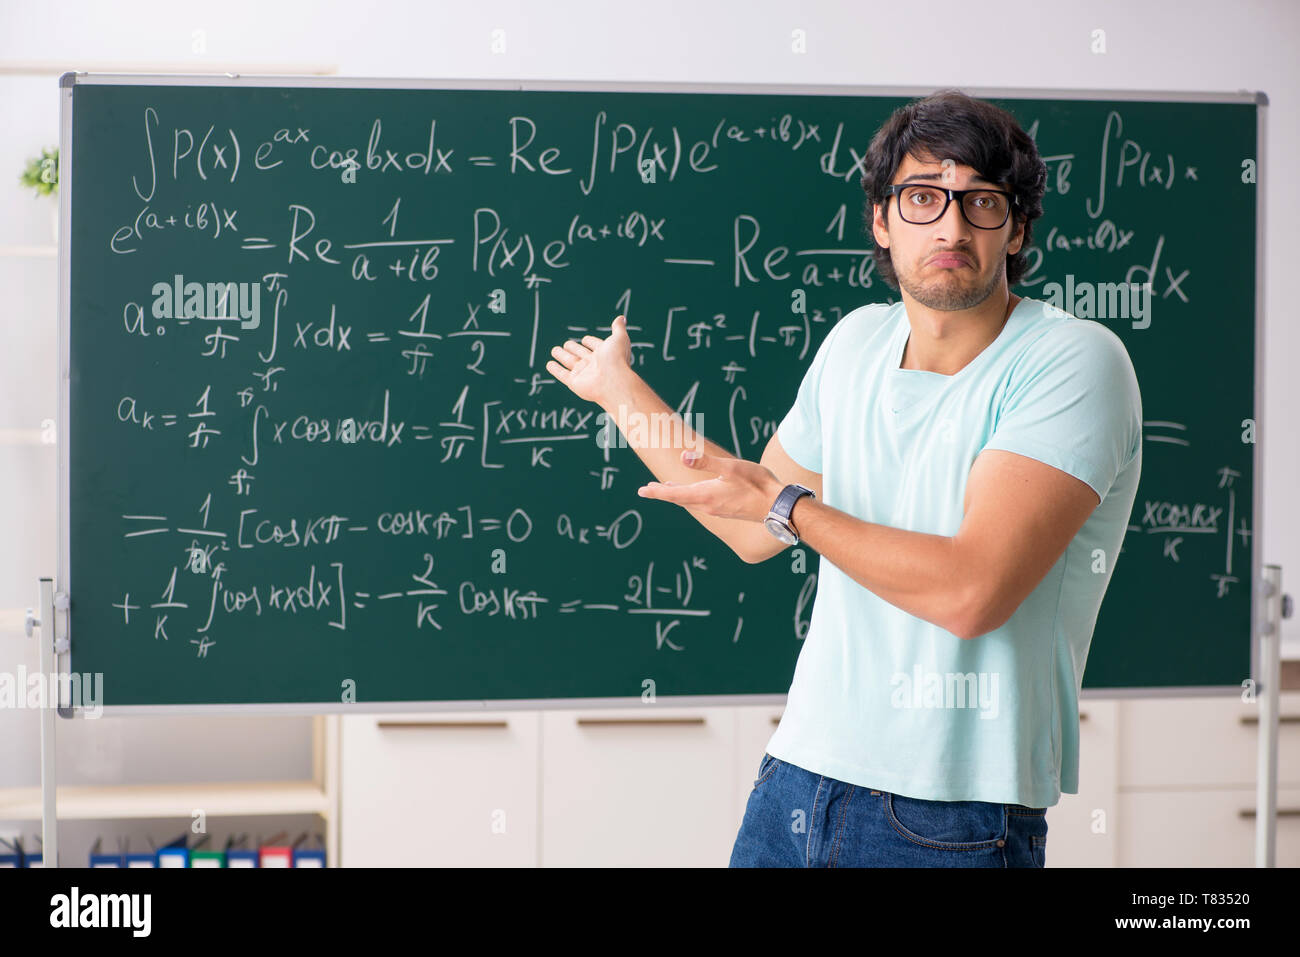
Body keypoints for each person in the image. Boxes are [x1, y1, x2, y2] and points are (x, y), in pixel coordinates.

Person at [545, 89, 1142, 867]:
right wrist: (620, 392)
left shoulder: (1073, 361)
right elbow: (743, 521)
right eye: (924, 198)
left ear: (1017, 227)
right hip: (797, 781)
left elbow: (972, 591)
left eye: (981, 203)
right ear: (883, 221)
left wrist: (790, 506)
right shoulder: (856, 341)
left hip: (952, 816)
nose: (951, 227)